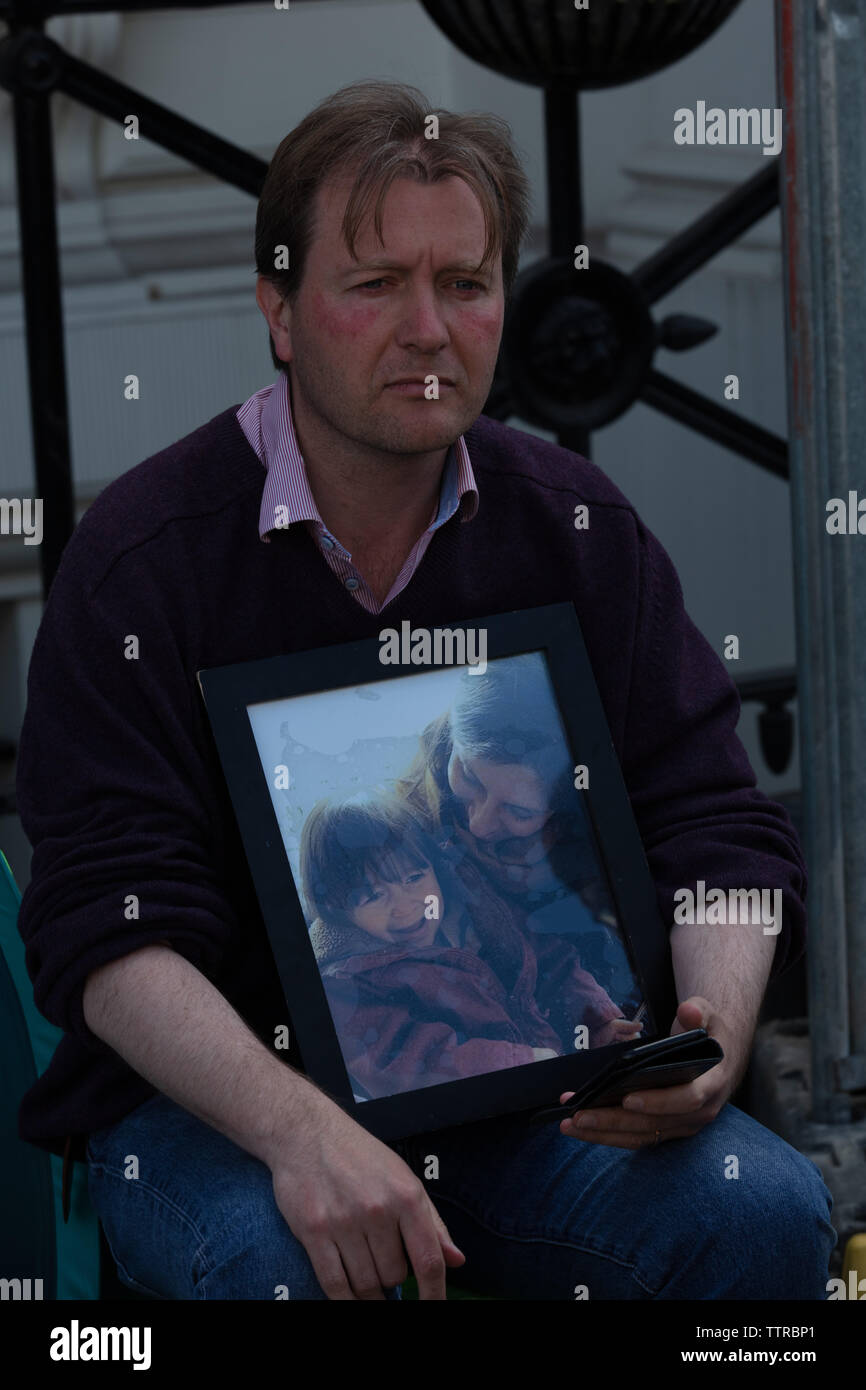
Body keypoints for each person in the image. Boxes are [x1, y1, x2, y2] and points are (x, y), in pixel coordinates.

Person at [14, 78, 834, 1300]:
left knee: (762, 1211)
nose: (428, 329)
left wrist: (709, 1030)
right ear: (279, 310)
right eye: (372, 284)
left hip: (529, 1090)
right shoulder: (145, 559)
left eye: (463, 283)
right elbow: (107, 921)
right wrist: (302, 1135)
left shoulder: (575, 528)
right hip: (218, 1111)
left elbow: (716, 824)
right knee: (276, 1266)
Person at [301, 790, 639, 1100]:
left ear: (435, 866)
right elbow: (408, 1059)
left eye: (414, 878)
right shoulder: (347, 982)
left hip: (558, 1078)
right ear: (338, 910)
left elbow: (555, 966)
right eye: (374, 896)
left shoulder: (479, 911)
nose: (405, 907)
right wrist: (516, 1063)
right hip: (470, 1119)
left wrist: (597, 1023)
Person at [396, 654, 643, 1011]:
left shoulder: (598, 842)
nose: (478, 823)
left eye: (518, 811)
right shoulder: (415, 799)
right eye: (469, 776)